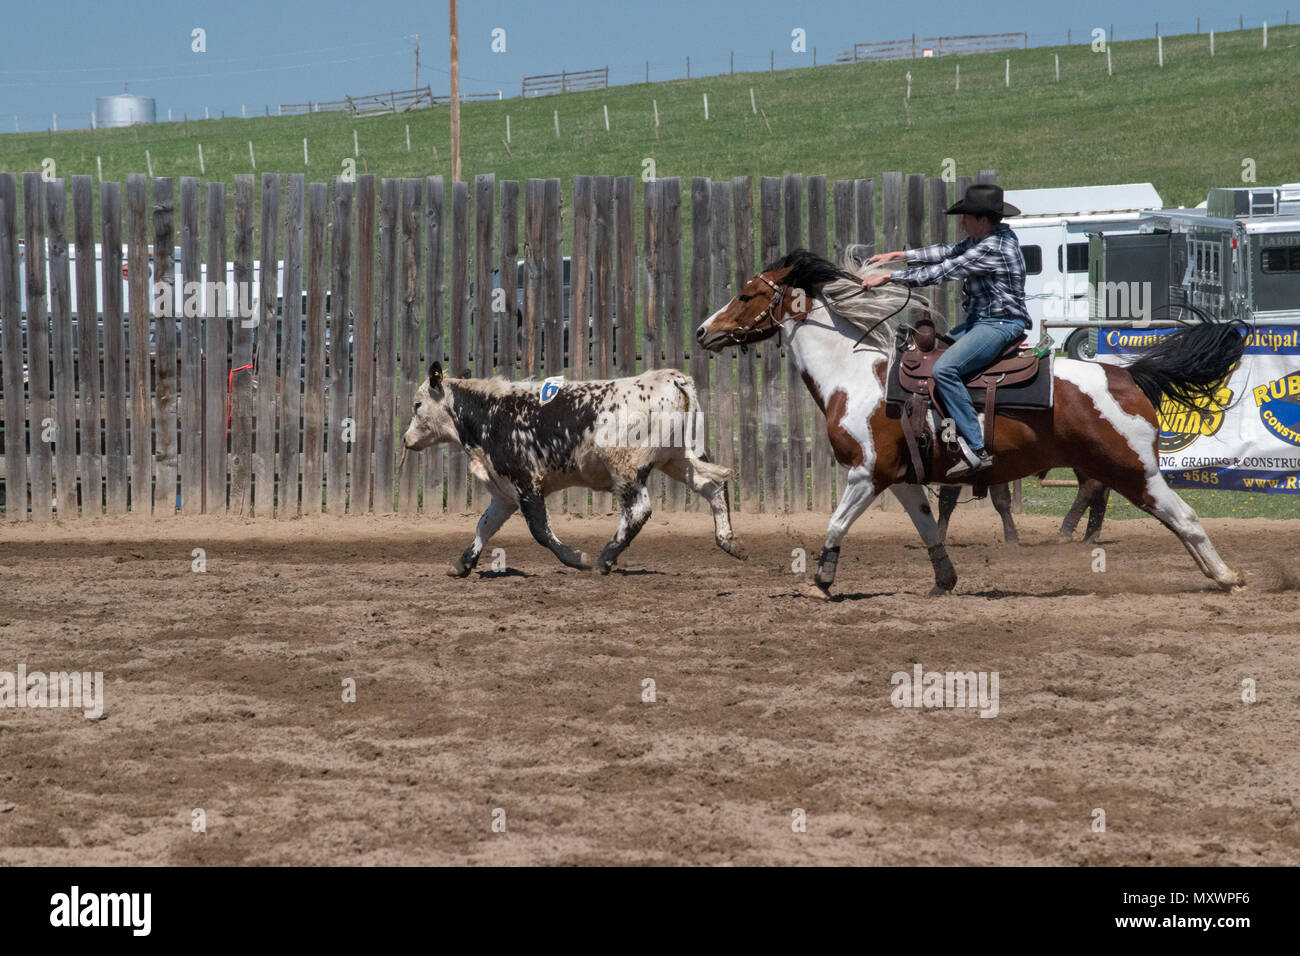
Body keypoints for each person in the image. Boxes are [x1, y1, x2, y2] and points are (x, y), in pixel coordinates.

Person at [862, 183, 1028, 478]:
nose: (961, 222)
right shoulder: (988, 238)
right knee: (931, 356)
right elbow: (947, 251)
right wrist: (898, 254)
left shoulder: (993, 247)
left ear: (983, 219)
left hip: (1000, 324)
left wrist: (890, 278)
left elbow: (944, 270)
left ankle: (977, 449)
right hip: (983, 323)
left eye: (966, 217)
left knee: (945, 370)